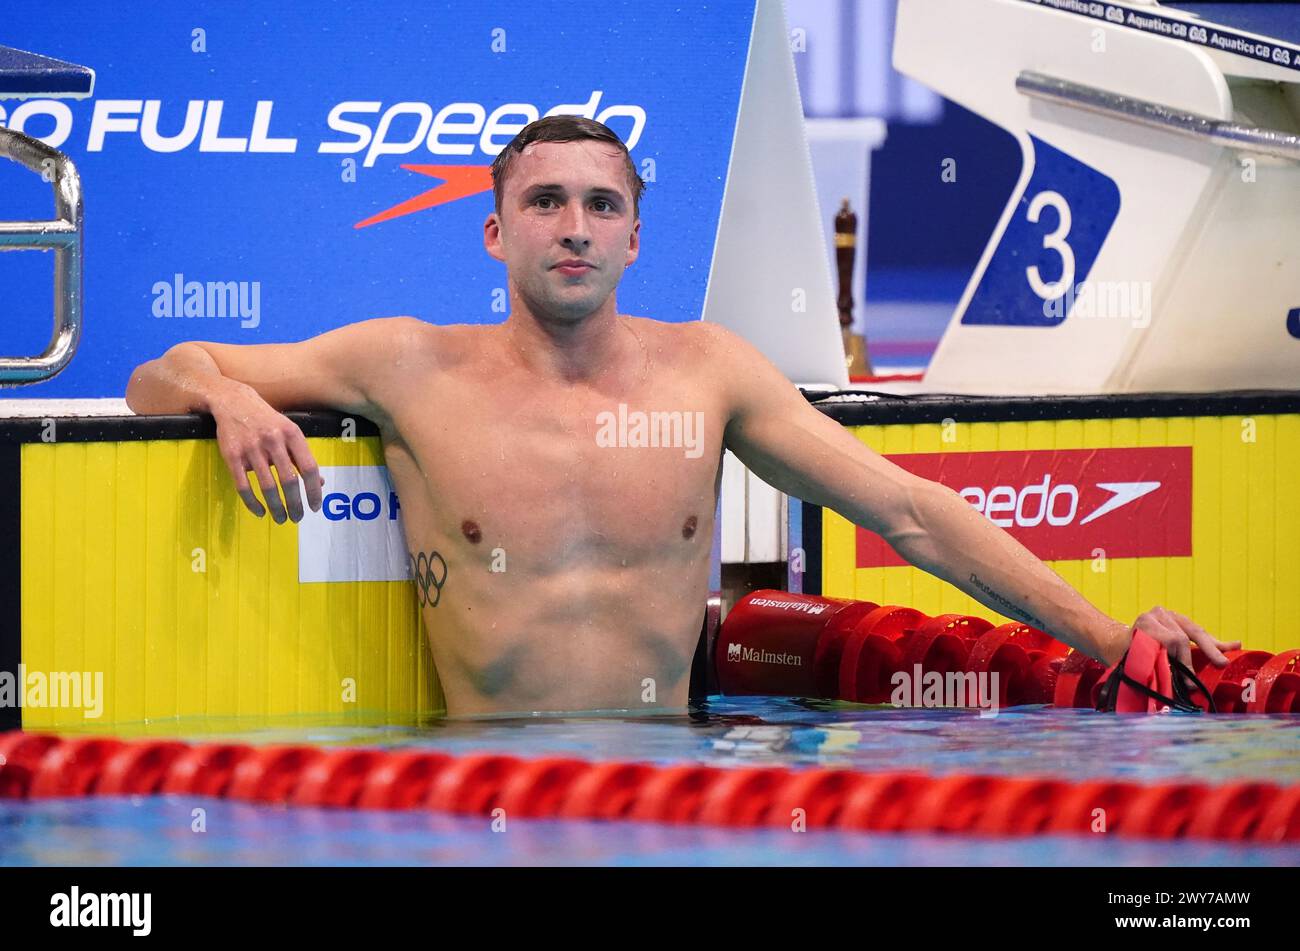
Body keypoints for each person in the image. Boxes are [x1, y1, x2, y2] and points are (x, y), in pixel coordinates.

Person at [125, 116, 1238, 717]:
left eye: (602, 204)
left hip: (675, 794)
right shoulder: (406, 364)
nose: (574, 225)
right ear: (494, 233)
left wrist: (1105, 637)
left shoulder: (709, 371)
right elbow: (165, 368)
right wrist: (224, 397)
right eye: (544, 201)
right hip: (477, 796)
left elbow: (908, 510)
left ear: (634, 239)